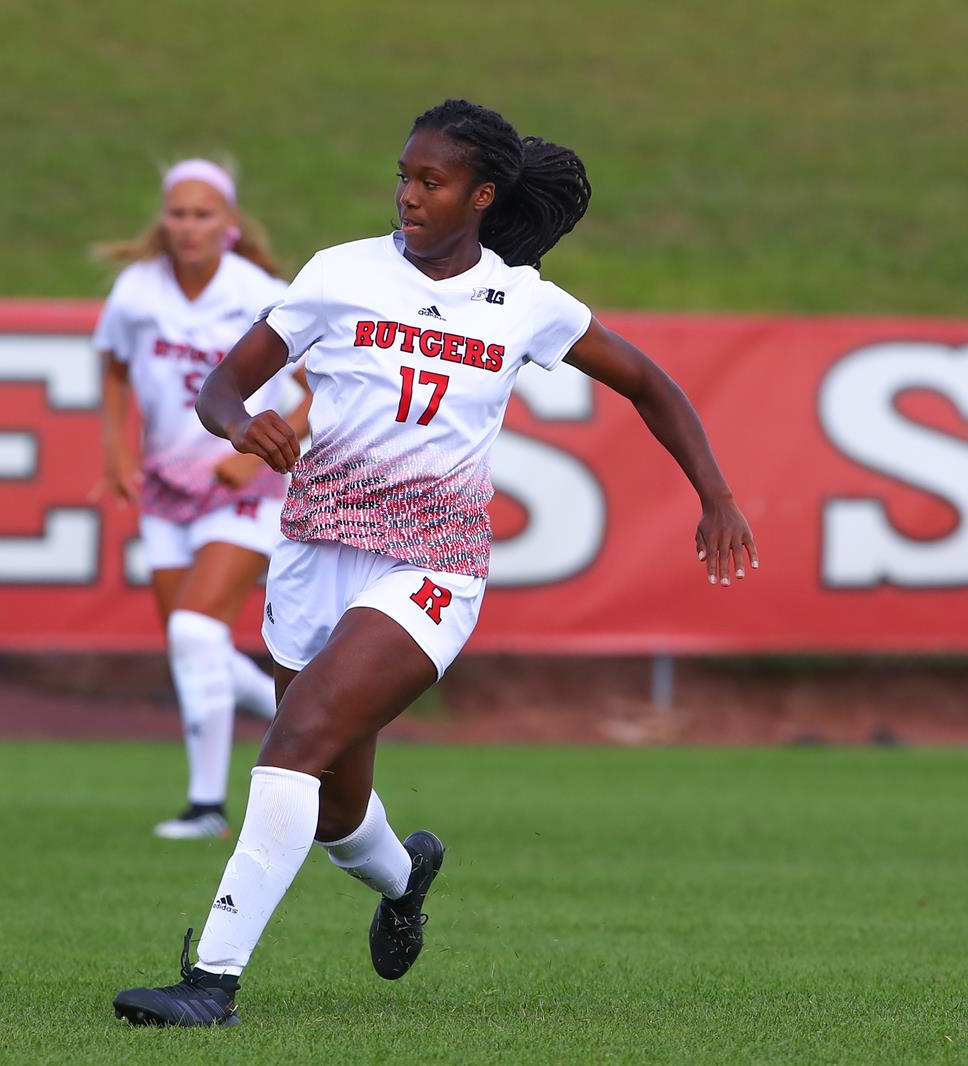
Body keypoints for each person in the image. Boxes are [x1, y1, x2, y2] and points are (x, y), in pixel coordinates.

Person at [113, 99, 758, 1026]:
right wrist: (240, 424)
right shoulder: (340, 272)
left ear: (481, 197)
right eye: (404, 177)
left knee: (292, 744)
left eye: (432, 181)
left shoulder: (524, 302)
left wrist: (717, 494)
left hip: (431, 566)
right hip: (313, 553)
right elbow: (222, 385)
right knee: (334, 807)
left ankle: (211, 981)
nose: (409, 196)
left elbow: (648, 383)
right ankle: (404, 877)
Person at [93, 159, 312, 840]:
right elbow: (113, 367)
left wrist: (254, 453)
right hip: (166, 485)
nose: (189, 226)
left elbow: (322, 386)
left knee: (194, 633)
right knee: (195, 647)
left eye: (203, 214)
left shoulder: (261, 293)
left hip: (246, 488)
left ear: (230, 223)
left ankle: (207, 806)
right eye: (178, 213)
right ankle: (301, 714)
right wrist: (118, 451)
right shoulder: (137, 290)